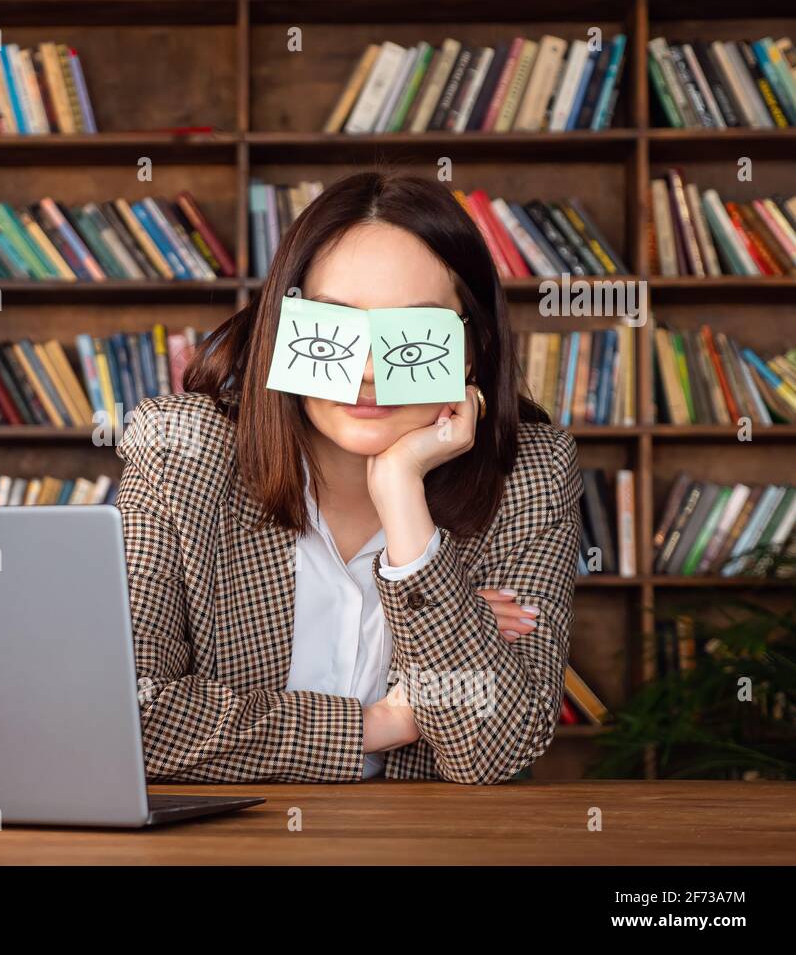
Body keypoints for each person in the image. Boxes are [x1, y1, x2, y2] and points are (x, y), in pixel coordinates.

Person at [116, 171, 581, 783]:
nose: (367, 370)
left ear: (470, 349)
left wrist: (405, 508)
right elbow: (129, 722)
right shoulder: (182, 453)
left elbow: (490, 754)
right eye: (334, 325)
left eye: (411, 333)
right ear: (287, 330)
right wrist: (381, 721)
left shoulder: (530, 474)